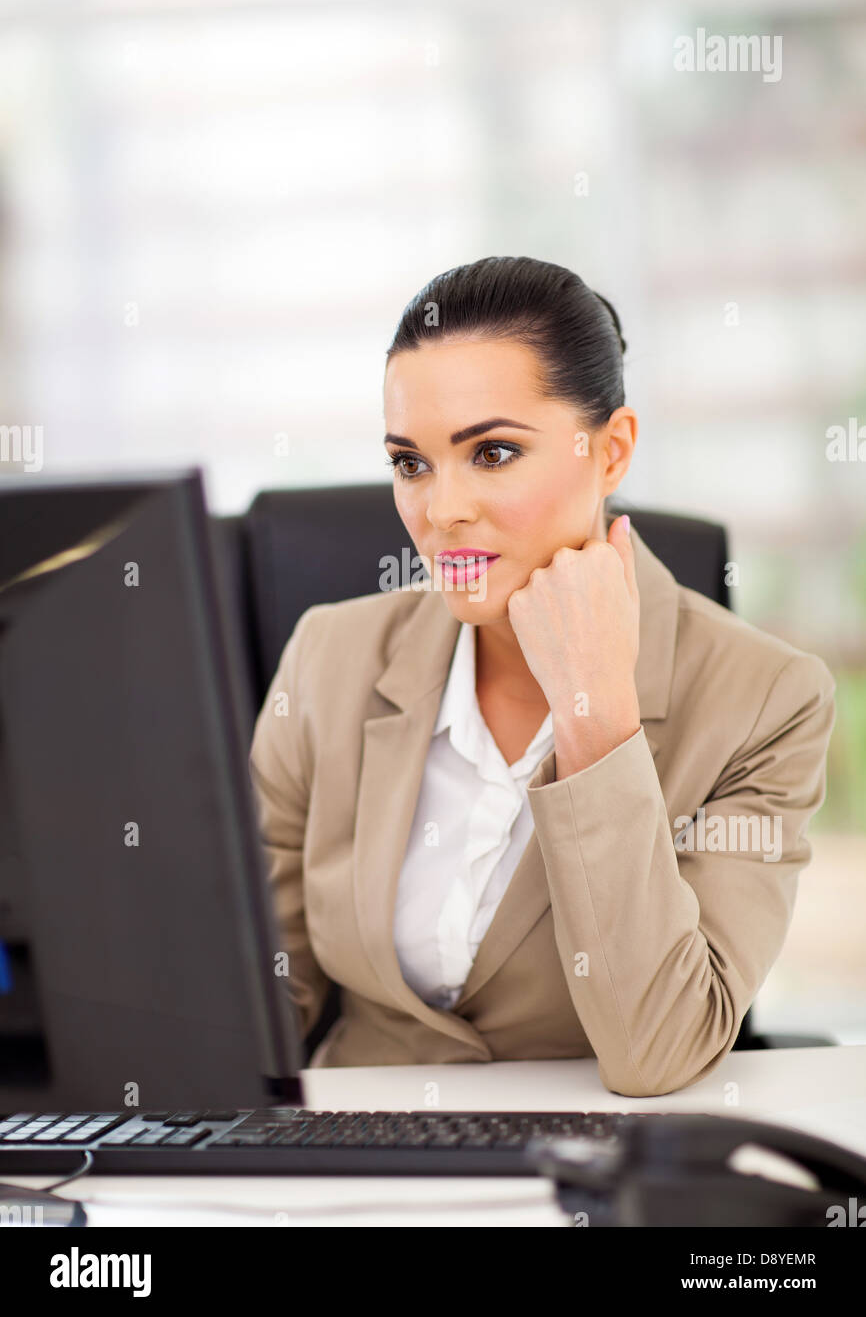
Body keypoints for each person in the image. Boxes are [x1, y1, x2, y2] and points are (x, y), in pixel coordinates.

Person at [248, 255, 835, 1096]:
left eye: (491, 452)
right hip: (354, 1167)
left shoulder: (766, 703)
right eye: (411, 462)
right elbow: (259, 1002)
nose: (441, 510)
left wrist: (597, 716)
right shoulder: (330, 656)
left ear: (612, 450)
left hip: (590, 1178)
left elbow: (660, 1050)